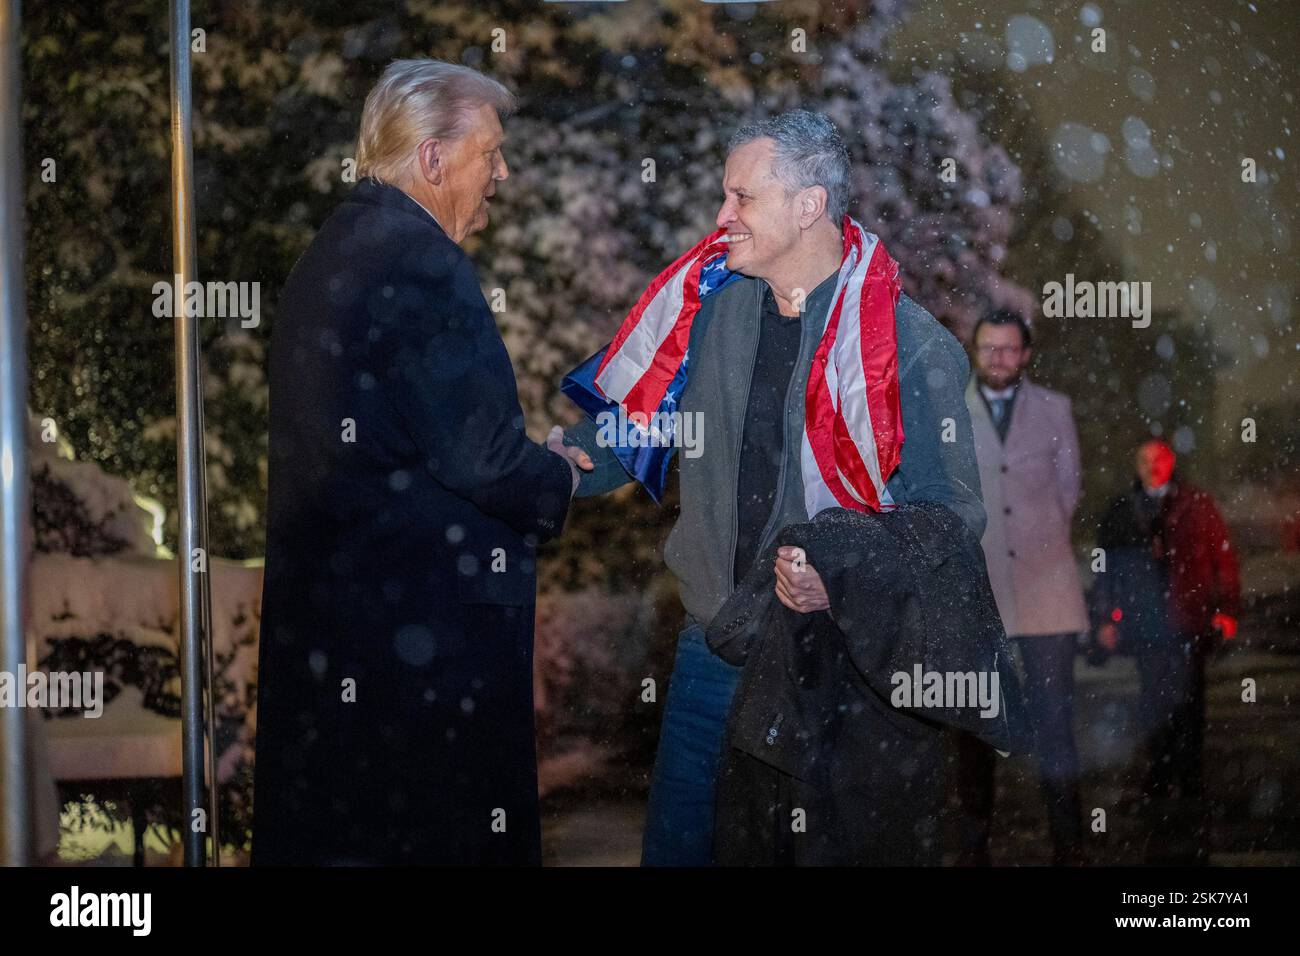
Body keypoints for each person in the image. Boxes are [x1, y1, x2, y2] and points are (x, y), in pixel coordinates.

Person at [562, 110, 985, 866]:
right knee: (682, 850)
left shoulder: (909, 346)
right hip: (712, 650)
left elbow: (951, 514)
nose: (721, 217)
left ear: (808, 206)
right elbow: (639, 429)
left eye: (740, 197)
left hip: (835, 665)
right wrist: (544, 470)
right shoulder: (707, 312)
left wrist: (845, 570)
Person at [252, 59, 590, 865]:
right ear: (433, 159)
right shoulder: (420, 261)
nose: (501, 172)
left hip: (344, 646)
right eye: (490, 152)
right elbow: (480, 457)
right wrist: (560, 477)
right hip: (421, 653)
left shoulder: (334, 250)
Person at [956, 309, 1089, 865]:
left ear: (1026, 354)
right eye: (989, 348)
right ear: (975, 350)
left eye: (1010, 349)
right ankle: (971, 846)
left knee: (1055, 724)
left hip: (1045, 593)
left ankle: (1069, 844)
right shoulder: (950, 412)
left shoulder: (1056, 410)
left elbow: (1069, 491)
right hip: (976, 596)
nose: (999, 359)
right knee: (973, 728)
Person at [1093, 437, 1240, 862]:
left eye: (1159, 458)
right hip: (1146, 622)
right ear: (1136, 464)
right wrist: (1105, 615)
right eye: (1144, 459)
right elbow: (1105, 563)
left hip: (1188, 617)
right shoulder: (1123, 509)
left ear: (1171, 462)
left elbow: (1222, 557)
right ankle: (1160, 774)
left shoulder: (1196, 504)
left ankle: (1188, 776)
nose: (1152, 466)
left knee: (1191, 698)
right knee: (1154, 696)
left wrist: (1225, 609)